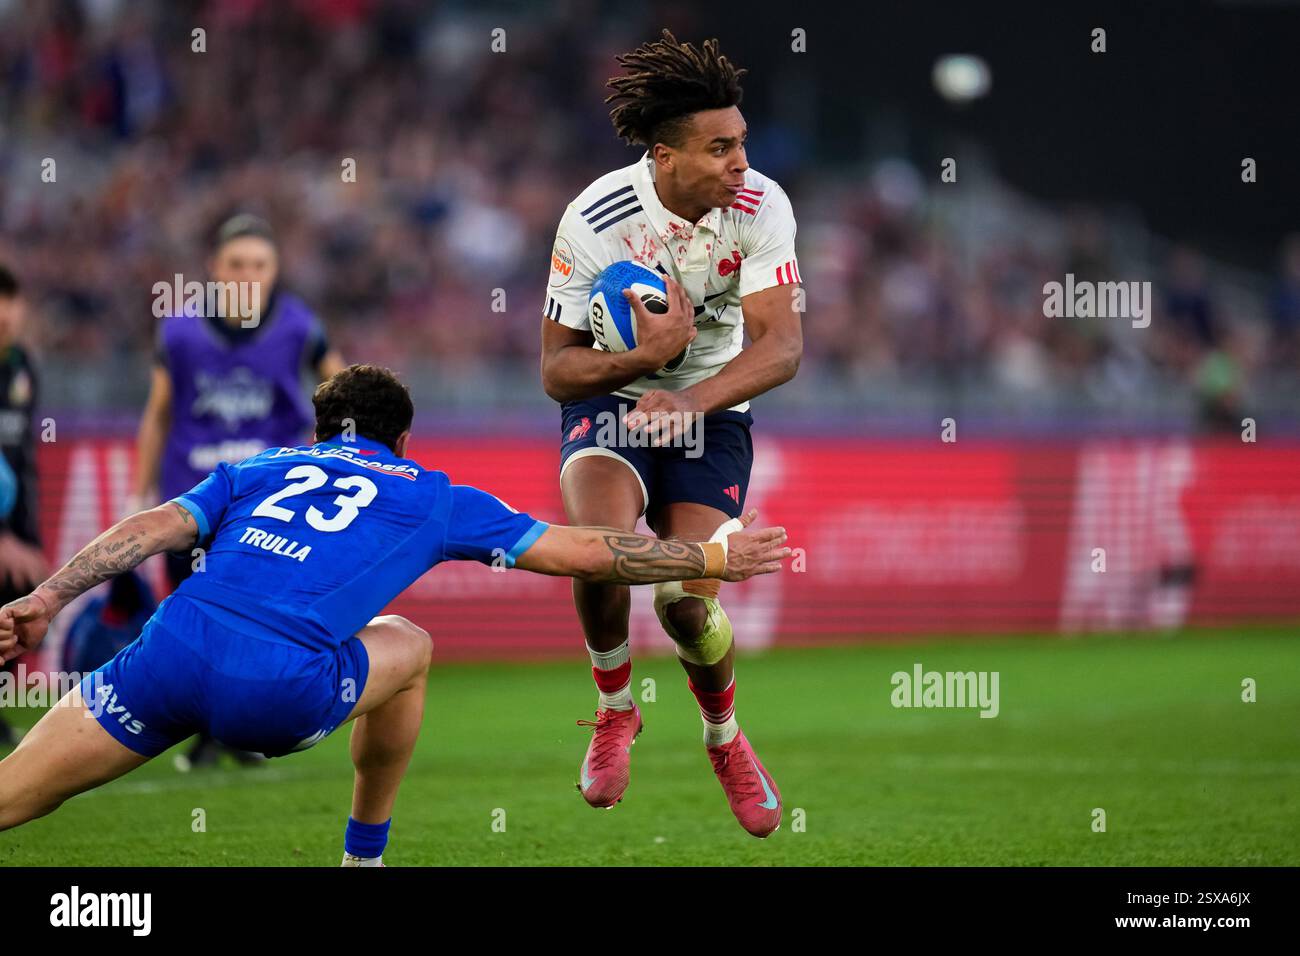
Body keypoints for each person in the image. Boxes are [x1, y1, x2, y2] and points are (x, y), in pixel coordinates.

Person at [0, 365, 788, 865]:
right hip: (274, 691)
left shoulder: (255, 470)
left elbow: (143, 533)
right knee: (409, 647)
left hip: (169, 655)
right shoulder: (434, 495)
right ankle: (364, 859)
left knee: (14, 794)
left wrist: (44, 600)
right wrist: (711, 559)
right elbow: (589, 553)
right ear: (403, 441)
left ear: (316, 433)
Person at [538, 31, 803, 836]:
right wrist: (646, 359)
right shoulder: (595, 219)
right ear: (663, 157)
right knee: (600, 544)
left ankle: (724, 736)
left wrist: (691, 400)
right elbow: (556, 370)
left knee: (687, 605)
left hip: (713, 408)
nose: (739, 162)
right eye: (720, 148)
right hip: (615, 398)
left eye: (743, 142)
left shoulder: (762, 205)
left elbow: (782, 346)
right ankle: (616, 706)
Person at [134, 213, 346, 769]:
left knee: (254, 617)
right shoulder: (178, 332)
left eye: (259, 265)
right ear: (214, 269)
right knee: (191, 618)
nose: (247, 275)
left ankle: (227, 732)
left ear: (275, 271)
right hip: (192, 497)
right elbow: (157, 415)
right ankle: (213, 731)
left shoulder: (299, 326)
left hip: (267, 500)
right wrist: (140, 493)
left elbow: (342, 389)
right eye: (236, 265)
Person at [0, 265, 48, 749]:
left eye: (10, 300)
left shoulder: (22, 367)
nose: (4, 313)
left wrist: (28, 536)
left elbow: (24, 457)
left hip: (14, 521)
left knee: (20, 597)